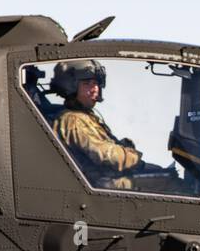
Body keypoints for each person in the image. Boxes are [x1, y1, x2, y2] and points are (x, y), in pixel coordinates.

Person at [50, 60, 143, 190]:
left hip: (103, 181)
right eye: (87, 84)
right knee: (170, 183)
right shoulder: (74, 120)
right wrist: (134, 157)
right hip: (100, 185)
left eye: (96, 83)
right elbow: (104, 155)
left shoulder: (84, 116)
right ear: (72, 87)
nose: (95, 89)